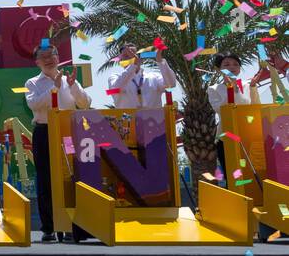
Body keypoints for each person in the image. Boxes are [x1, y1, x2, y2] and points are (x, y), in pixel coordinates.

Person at [25, 43, 91, 243]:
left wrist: (71, 85)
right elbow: (34, 104)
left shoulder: (70, 80)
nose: (48, 59)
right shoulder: (32, 82)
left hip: (68, 135)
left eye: (51, 55)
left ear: (57, 56)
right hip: (44, 133)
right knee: (45, 179)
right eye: (43, 56)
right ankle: (49, 227)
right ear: (37, 62)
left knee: (70, 175)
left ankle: (71, 224)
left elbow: (85, 103)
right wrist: (55, 86)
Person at [105, 42, 177, 109]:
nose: (131, 57)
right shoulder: (114, 77)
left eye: (134, 54)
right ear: (121, 61)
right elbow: (117, 89)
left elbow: (171, 85)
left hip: (153, 121)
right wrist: (133, 65)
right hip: (127, 121)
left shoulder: (154, 77)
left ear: (141, 59)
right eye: (126, 55)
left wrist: (160, 61)